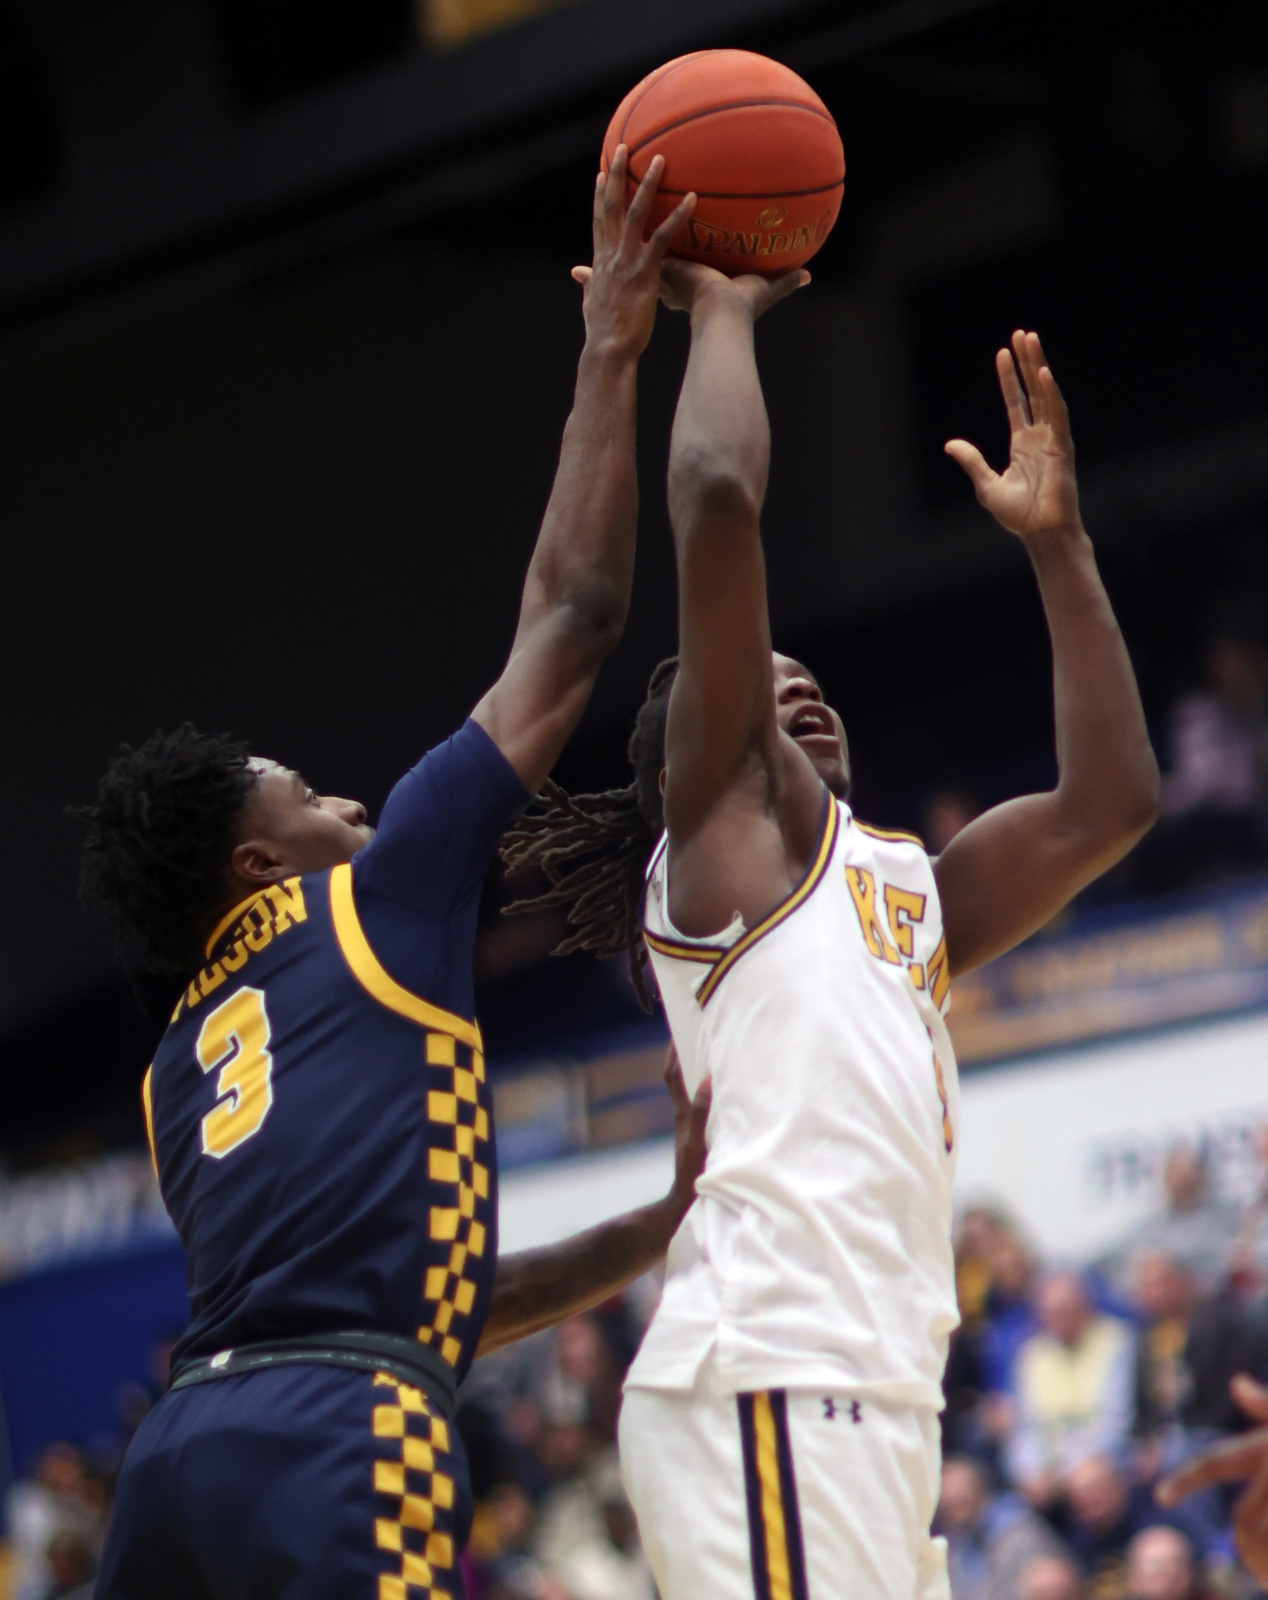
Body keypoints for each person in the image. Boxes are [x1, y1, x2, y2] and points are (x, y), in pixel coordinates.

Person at [76, 149, 710, 1600]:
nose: (350, 801)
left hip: (180, 1457)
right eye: (308, 795)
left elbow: (423, 1301)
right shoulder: (374, 900)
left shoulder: (173, 1070)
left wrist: (653, 1227)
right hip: (337, 1436)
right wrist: (612, 346)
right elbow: (576, 612)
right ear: (254, 862)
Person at [502, 270, 1159, 1596]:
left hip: (866, 1392)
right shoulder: (723, 865)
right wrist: (726, 306)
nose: (799, 700)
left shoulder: (903, 892)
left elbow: (1110, 803)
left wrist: (1058, 547)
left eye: (815, 688)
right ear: (697, 769)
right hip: (777, 1371)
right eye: (761, 697)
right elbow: (719, 501)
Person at [1007, 1271, 1135, 1508]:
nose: (1062, 1322)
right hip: (1049, 1472)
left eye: (1068, 1311)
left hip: (1105, 1460)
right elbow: (1025, 1427)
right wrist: (1030, 1472)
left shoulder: (1116, 1341)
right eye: (1053, 1315)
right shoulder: (1032, 1356)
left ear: (1086, 1307)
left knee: (1091, 1484)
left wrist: (1066, 1473)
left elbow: (1116, 1423)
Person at [937, 1456, 1067, 1600]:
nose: (956, 1516)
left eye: (960, 1502)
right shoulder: (960, 1547)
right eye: (947, 1508)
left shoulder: (1020, 1531)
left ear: (978, 1492)